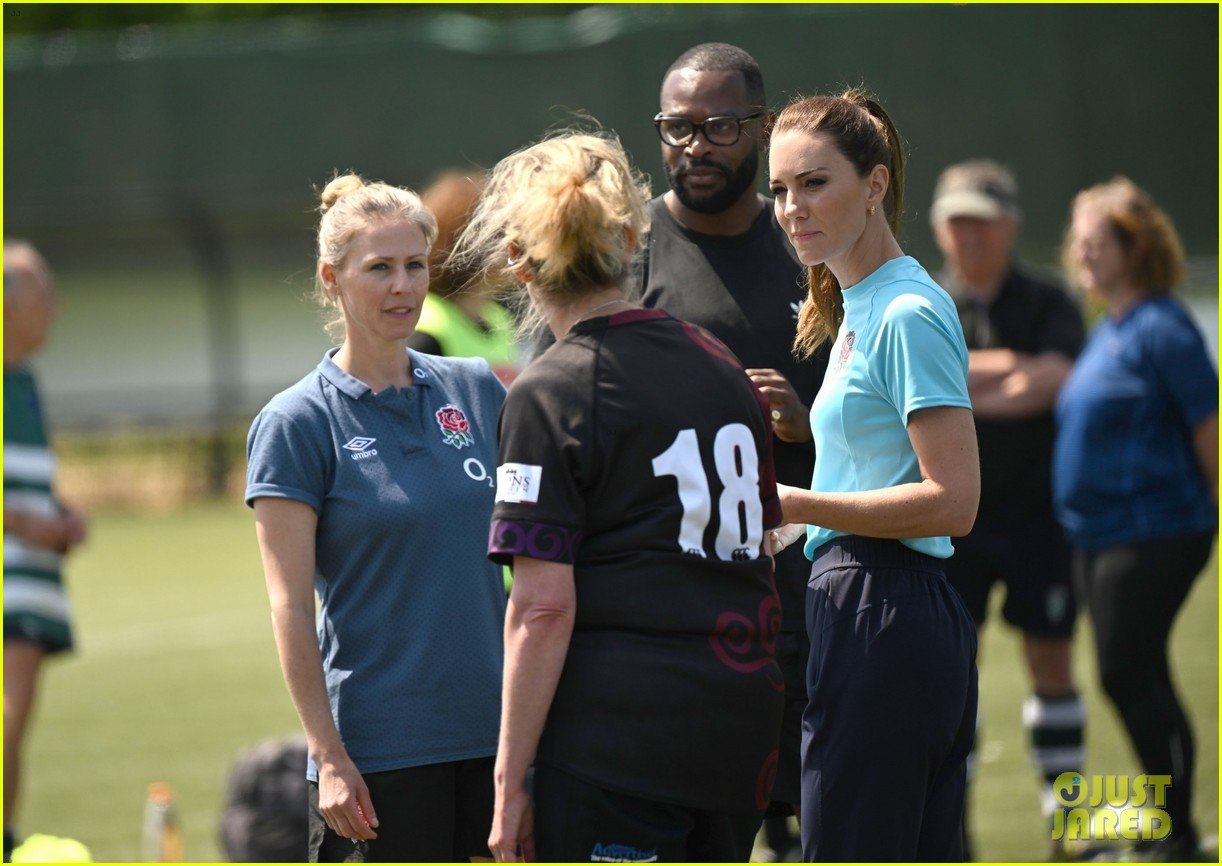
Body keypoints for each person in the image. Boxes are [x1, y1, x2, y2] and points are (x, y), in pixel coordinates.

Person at [450, 130, 786, 862]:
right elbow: (763, 536)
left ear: (517, 259)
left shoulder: (552, 391)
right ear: (633, 240)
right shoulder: (720, 363)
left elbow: (540, 605)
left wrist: (508, 784)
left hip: (620, 743)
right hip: (740, 728)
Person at [245, 175, 508, 862]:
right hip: (378, 756)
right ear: (332, 279)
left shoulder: (477, 388)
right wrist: (327, 757)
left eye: (415, 265)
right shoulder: (295, 422)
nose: (403, 287)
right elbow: (289, 608)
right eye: (380, 269)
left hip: (495, 744)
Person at [767, 89, 980, 860]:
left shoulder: (905, 311)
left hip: (883, 609)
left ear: (877, 183)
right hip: (872, 606)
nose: (792, 207)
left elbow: (954, 502)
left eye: (814, 183)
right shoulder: (864, 303)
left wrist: (795, 502)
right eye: (781, 188)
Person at [644, 43, 827, 857]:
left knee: (814, 818)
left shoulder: (811, 244)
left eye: (719, 126)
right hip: (671, 603)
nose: (696, 146)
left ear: (760, 128)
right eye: (678, 128)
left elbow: (886, 418)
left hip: (805, 588)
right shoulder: (626, 248)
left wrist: (807, 425)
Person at [1054, 177, 1217, 861]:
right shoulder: (1109, 328)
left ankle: (1178, 828)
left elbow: (1208, 430)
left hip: (1156, 529)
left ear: (1134, 246)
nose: (1083, 254)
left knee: (1128, 671)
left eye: (1098, 241)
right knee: (1133, 670)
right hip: (1100, 534)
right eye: (1079, 242)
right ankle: (1170, 821)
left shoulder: (1163, 326)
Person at [929, 159, 1087, 858]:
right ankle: (952, 833)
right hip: (953, 523)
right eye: (958, 220)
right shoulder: (929, 303)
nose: (971, 235)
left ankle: (1072, 827)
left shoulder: (1051, 299)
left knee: (1052, 663)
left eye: (983, 221)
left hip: (1039, 519)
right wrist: (1013, 371)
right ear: (939, 227)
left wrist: (961, 378)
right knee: (950, 679)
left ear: (1011, 225)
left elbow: (1054, 381)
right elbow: (1019, 378)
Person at [3, 240, 89, 865]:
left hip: (31, 571)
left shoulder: (24, 382)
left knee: (19, 701)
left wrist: (60, 517)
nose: (55, 310)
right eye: (44, 295)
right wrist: (19, 520)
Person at [407, 169, 521, 385]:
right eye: (500, 234)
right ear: (465, 243)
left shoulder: (499, 320)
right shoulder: (426, 328)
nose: (513, 246)